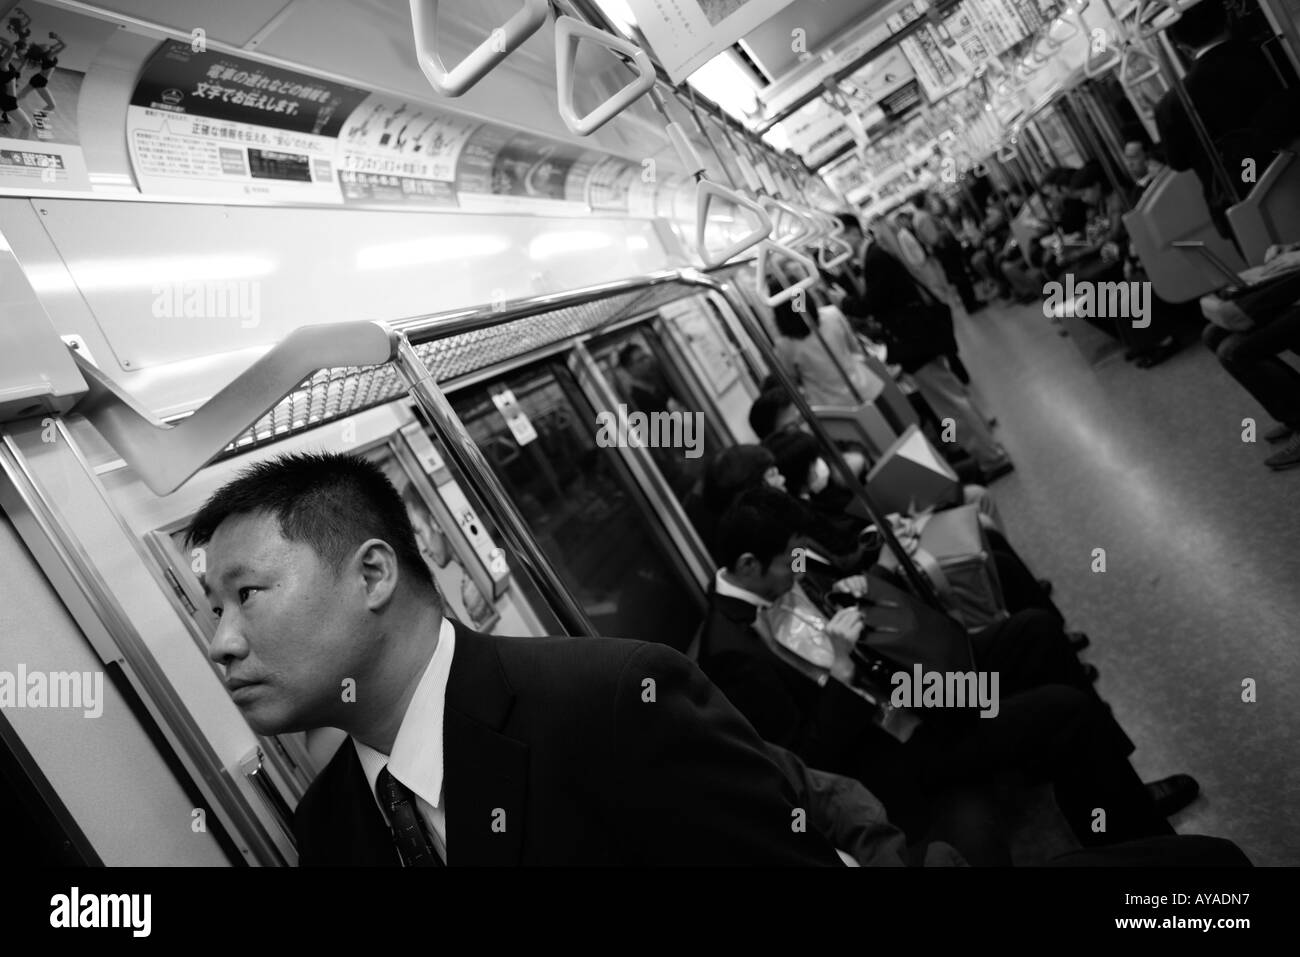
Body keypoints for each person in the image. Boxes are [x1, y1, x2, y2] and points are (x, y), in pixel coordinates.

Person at [187, 451, 844, 866]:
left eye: (247, 593)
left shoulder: (612, 703)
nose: (223, 641)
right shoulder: (331, 828)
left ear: (373, 574)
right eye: (217, 609)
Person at [698, 487, 1201, 850]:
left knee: (1032, 631)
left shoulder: (782, 573)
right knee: (1064, 712)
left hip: (908, 685)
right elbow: (807, 760)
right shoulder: (731, 654)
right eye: (790, 560)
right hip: (897, 746)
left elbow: (827, 591)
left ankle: (1117, 789)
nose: (798, 567)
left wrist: (854, 590)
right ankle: (1134, 840)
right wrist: (845, 673)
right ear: (747, 565)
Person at [843, 217, 1014, 483]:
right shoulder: (877, 253)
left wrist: (843, 302)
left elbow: (871, 303)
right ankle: (989, 449)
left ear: (853, 232)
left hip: (914, 340)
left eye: (841, 237)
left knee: (949, 404)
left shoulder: (874, 258)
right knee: (953, 396)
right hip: (920, 335)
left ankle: (991, 458)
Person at [1153, 0, 1296, 242]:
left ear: (1181, 47)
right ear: (1227, 19)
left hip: (1239, 203)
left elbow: (1178, 161)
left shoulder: (1171, 104)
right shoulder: (1276, 52)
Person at [911, 192, 986, 314]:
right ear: (924, 201)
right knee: (960, 277)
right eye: (928, 199)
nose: (930, 202)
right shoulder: (923, 217)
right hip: (945, 250)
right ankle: (971, 303)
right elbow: (934, 238)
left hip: (944, 251)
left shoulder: (919, 217)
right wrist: (944, 231)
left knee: (959, 276)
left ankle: (971, 302)